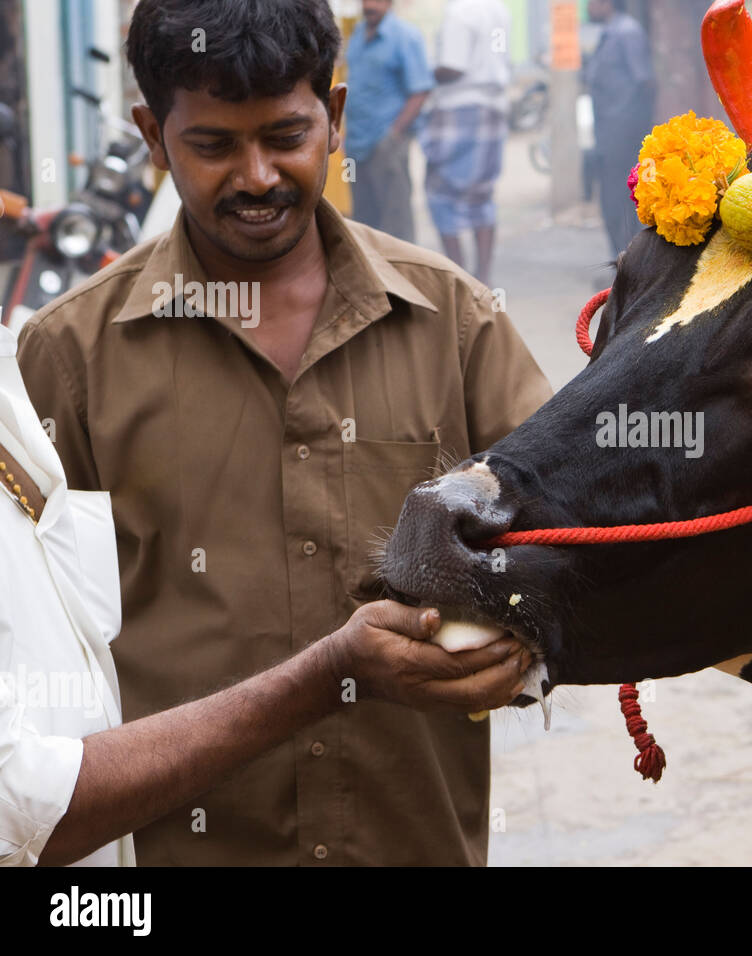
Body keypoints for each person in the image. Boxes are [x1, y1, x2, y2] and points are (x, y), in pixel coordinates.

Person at [17, 0, 553, 866]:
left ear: (335, 119)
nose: (259, 176)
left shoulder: (456, 322)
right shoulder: (66, 358)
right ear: (153, 138)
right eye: (214, 145)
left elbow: (570, 549)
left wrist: (523, 650)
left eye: (286, 134)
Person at [0, 321, 530, 867]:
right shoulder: (70, 346)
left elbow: (568, 539)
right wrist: (330, 674)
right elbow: (19, 809)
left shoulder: (458, 320)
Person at [420, 0, 512, 284]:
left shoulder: (460, 12)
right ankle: (482, 278)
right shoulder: (497, 9)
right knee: (481, 195)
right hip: (492, 106)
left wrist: (425, 72)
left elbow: (453, 67)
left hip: (460, 107)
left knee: (441, 194)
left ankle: (460, 280)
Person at [344, 0, 432, 240]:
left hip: (386, 144)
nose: (369, 5)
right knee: (363, 225)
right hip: (356, 144)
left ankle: (399, 277)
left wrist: (393, 135)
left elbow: (420, 90)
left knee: (396, 224)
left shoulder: (405, 36)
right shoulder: (358, 33)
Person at [584, 0, 656, 260]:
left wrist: (633, 128)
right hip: (608, 130)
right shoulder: (609, 33)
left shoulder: (627, 32)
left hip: (623, 132)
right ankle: (620, 259)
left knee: (622, 198)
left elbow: (645, 81)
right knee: (611, 198)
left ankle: (630, 262)